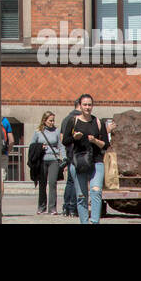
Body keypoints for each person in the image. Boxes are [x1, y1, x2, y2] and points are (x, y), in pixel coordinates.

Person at [62, 93, 109, 224]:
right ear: (80, 106)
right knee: (82, 196)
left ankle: (94, 221)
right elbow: (65, 141)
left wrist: (94, 140)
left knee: (96, 191)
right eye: (85, 105)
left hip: (96, 161)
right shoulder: (73, 121)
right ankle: (84, 221)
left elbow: (106, 144)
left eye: (90, 105)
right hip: (78, 161)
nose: (87, 107)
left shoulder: (98, 122)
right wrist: (74, 138)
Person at [31, 111, 65, 215]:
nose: (52, 122)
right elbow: (32, 146)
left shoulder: (56, 131)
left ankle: (52, 208)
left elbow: (61, 146)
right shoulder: (38, 132)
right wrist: (40, 147)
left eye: (53, 120)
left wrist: (64, 157)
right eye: (50, 120)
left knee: (52, 183)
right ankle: (41, 207)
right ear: (44, 120)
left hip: (53, 159)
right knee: (42, 184)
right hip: (42, 160)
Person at [59, 103, 80, 216]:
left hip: (69, 152)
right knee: (76, 181)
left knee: (70, 181)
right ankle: (73, 207)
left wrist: (64, 154)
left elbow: (62, 138)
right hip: (78, 153)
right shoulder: (80, 119)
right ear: (80, 105)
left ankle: (66, 206)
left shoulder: (65, 119)